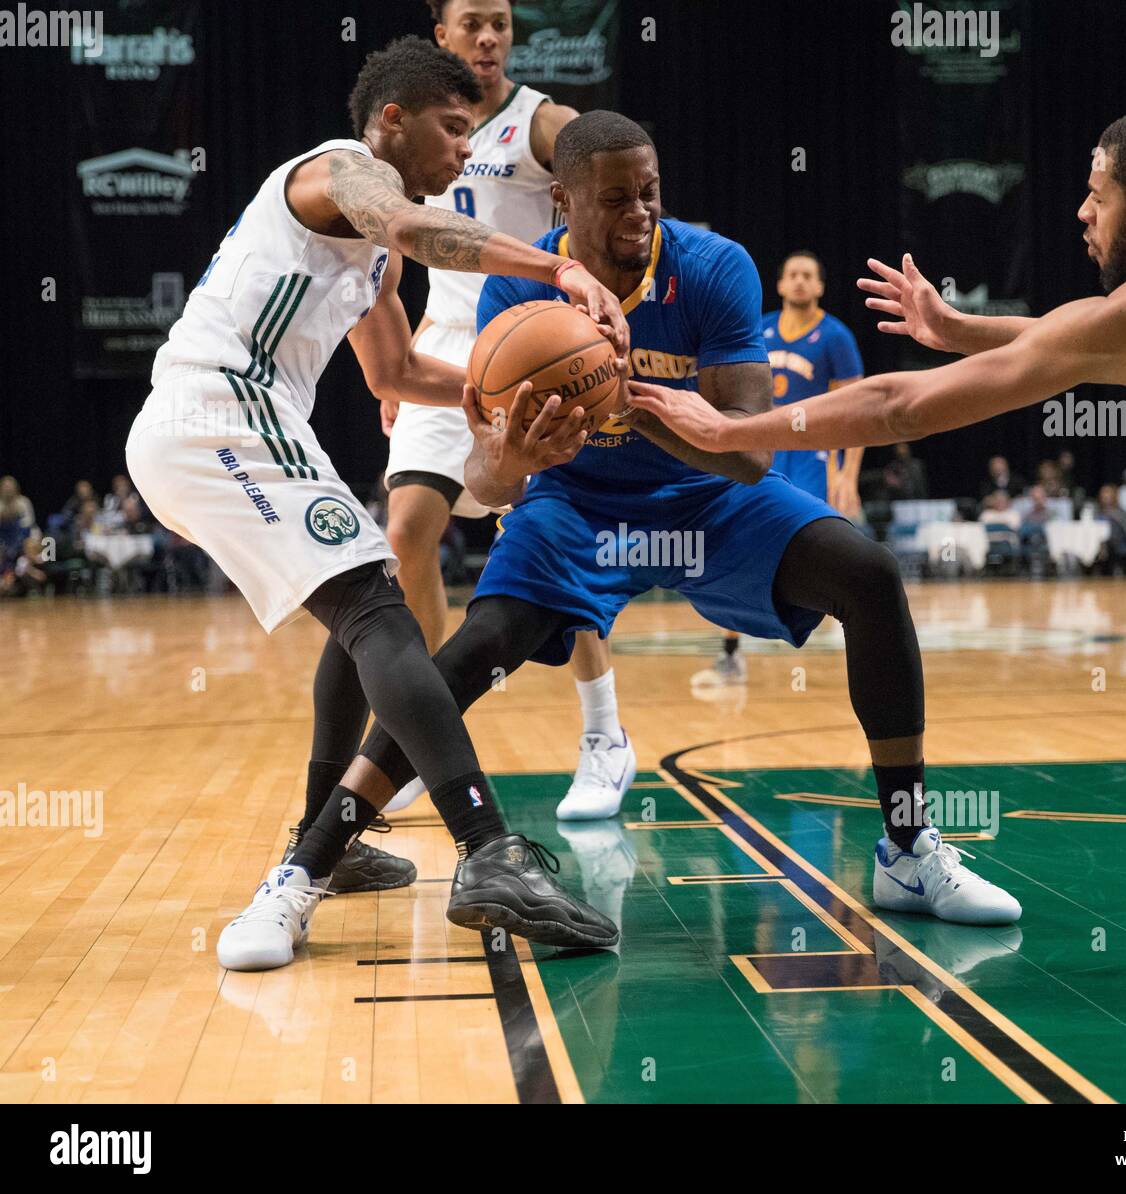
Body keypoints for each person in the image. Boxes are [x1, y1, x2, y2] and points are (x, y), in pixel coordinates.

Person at [630, 105, 1126, 1026]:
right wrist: (970, 328)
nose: (1079, 212)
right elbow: (1092, 329)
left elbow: (904, 406)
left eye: (1097, 195)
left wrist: (730, 429)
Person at [332, 110, 1021, 931]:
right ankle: (323, 843)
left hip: (709, 497)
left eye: (649, 194)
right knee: (475, 649)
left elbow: (749, 454)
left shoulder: (713, 265)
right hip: (576, 504)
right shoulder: (520, 289)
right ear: (563, 202)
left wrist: (635, 407)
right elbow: (486, 472)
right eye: (615, 199)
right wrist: (521, 457)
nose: (638, 214)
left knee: (869, 575)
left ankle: (908, 851)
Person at [126, 37, 627, 971]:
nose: (462, 156)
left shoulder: (373, 264)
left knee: (363, 602)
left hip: (237, 426)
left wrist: (506, 397)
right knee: (377, 609)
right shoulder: (340, 174)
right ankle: (488, 850)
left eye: (475, 135)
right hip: (216, 413)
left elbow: (395, 372)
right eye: (450, 130)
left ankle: (331, 839)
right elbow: (415, 227)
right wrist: (559, 269)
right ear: (392, 118)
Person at [381, 0, 635, 820]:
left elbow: (611, 160)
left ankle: (605, 734)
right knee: (406, 535)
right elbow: (419, 260)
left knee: (550, 539)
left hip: (530, 343)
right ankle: (433, 731)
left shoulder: (537, 122)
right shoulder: (428, 129)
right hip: (447, 342)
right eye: (473, 24)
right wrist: (399, 365)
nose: (490, 38)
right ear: (441, 35)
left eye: (502, 24)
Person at [700, 250, 865, 687]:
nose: (798, 281)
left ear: (820, 286)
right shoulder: (760, 329)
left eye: (807, 275)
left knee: (813, 544)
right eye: (791, 274)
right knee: (733, 538)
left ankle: (842, 632)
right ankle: (731, 651)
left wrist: (847, 473)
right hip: (760, 445)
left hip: (812, 451)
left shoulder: (835, 337)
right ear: (779, 284)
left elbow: (856, 410)